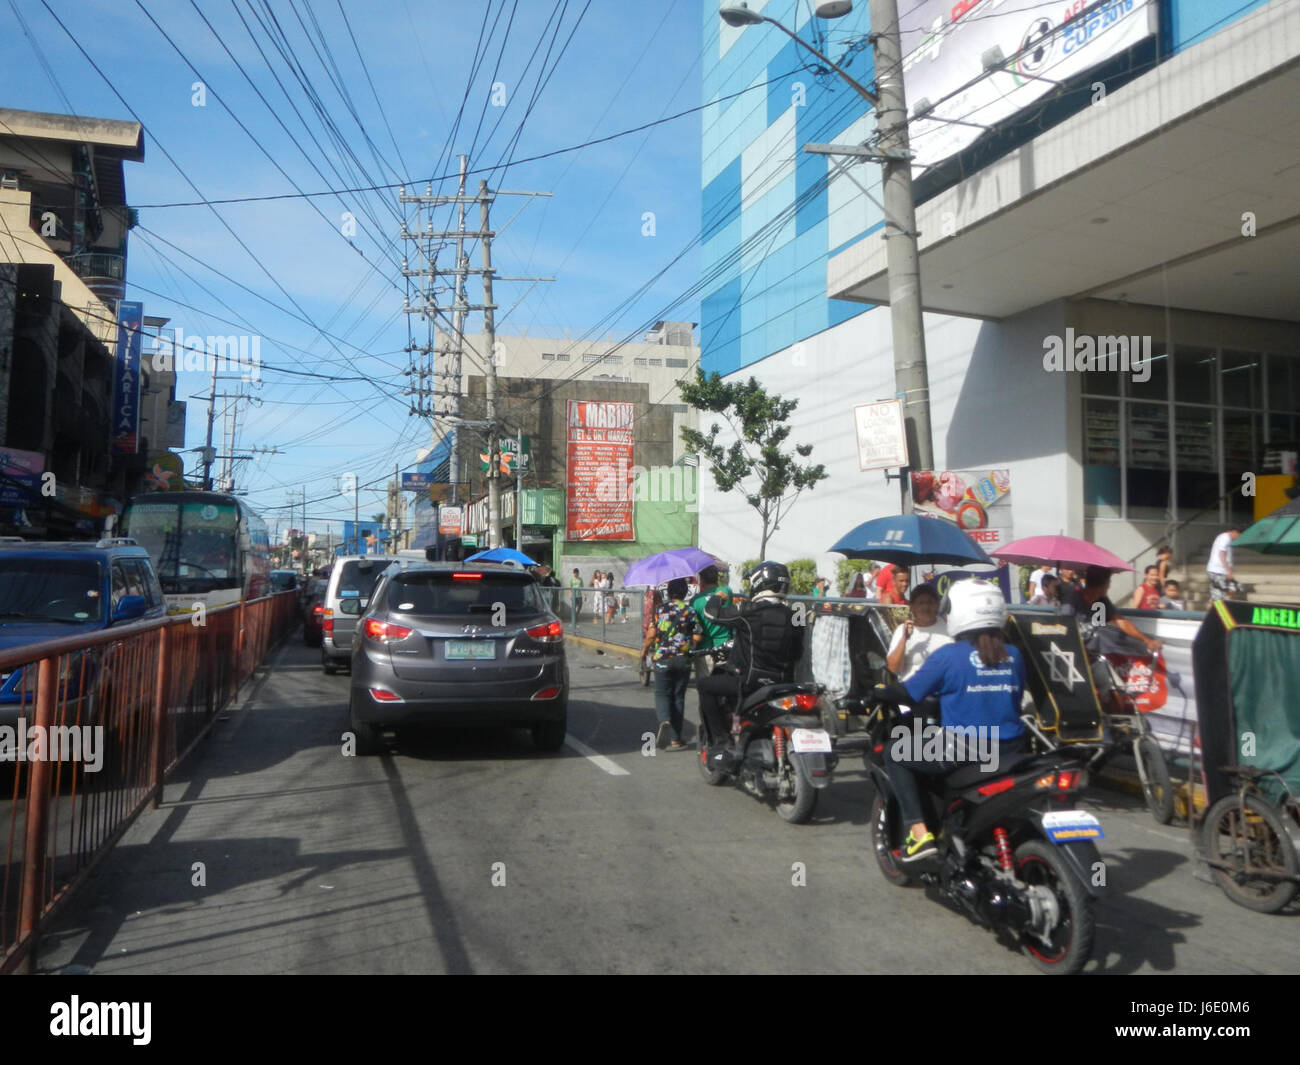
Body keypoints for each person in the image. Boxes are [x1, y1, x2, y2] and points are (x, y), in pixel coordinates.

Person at [873, 579, 1026, 861]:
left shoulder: (949, 656)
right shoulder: (1014, 654)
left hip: (966, 748)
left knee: (896, 753)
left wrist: (879, 692)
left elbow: (909, 692)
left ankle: (918, 834)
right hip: (1012, 749)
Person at [697, 561, 806, 767]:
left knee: (705, 686)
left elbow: (712, 614)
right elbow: (799, 650)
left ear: (758, 582)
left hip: (749, 682)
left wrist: (717, 597)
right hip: (784, 684)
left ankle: (721, 741)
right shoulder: (795, 616)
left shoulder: (748, 610)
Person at [640, 577, 696, 751]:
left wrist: (643, 651)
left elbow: (651, 634)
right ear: (686, 592)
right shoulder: (690, 610)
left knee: (662, 694)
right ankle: (675, 739)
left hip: (663, 659)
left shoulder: (660, 610)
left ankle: (664, 719)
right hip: (683, 659)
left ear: (668, 592)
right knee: (678, 697)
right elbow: (698, 636)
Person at [885, 584, 952, 681]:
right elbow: (893, 668)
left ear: (937, 605)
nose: (926, 607)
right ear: (912, 607)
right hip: (911, 691)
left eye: (930, 602)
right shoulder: (902, 630)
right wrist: (904, 638)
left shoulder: (949, 628)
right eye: (920, 603)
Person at [690, 564, 733, 681]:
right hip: (725, 646)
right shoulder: (726, 591)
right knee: (725, 682)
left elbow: (695, 626)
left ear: (701, 579)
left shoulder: (695, 601)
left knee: (706, 686)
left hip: (704, 649)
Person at [1206, 526, 1241, 601]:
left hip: (1221, 570)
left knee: (1234, 587)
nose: (1238, 538)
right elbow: (1222, 555)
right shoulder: (1225, 538)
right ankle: (1215, 606)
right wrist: (1229, 571)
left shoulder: (1225, 538)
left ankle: (1218, 602)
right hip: (1217, 570)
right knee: (1219, 594)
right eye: (1239, 535)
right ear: (1235, 532)